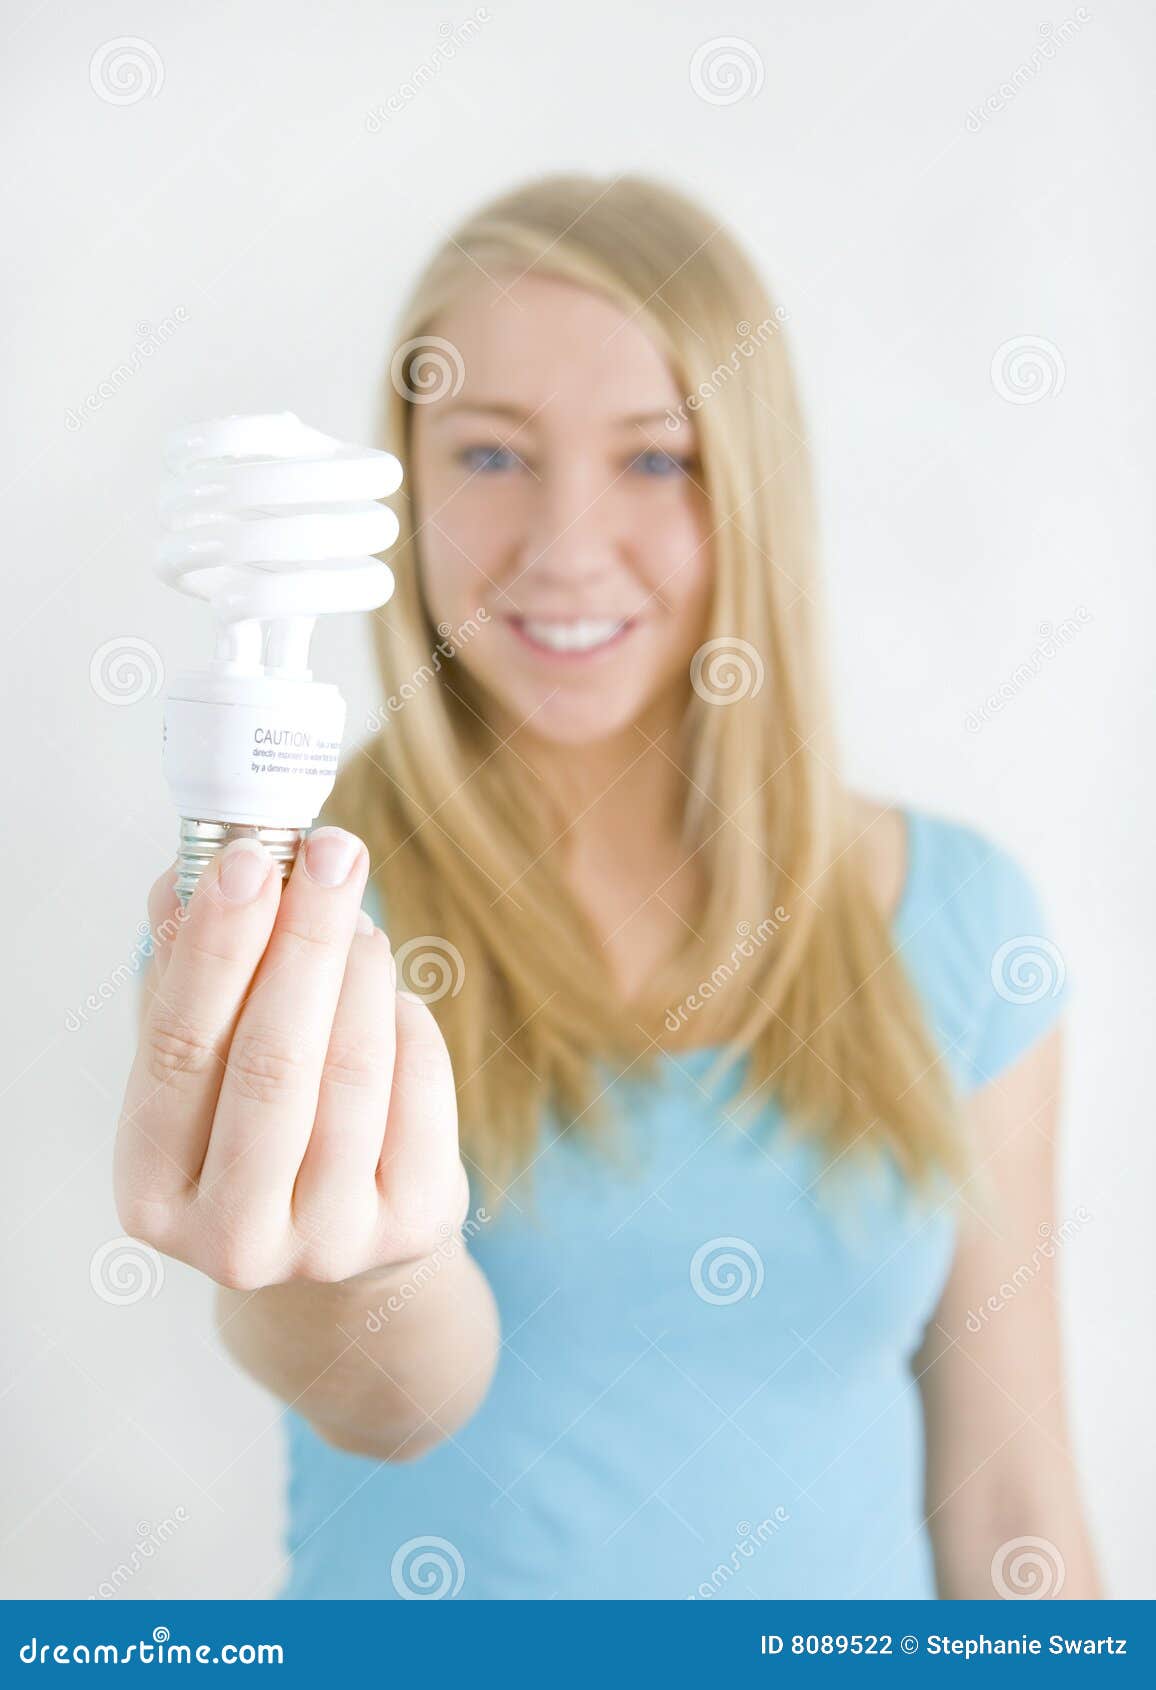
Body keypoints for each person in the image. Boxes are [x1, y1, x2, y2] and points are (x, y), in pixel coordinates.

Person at [118, 174, 1099, 1600]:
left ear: (753, 489)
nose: (567, 547)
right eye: (491, 456)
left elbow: (1014, 1494)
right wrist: (348, 1269)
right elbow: (385, 1396)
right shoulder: (292, 916)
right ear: (402, 477)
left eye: (655, 460)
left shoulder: (959, 921)